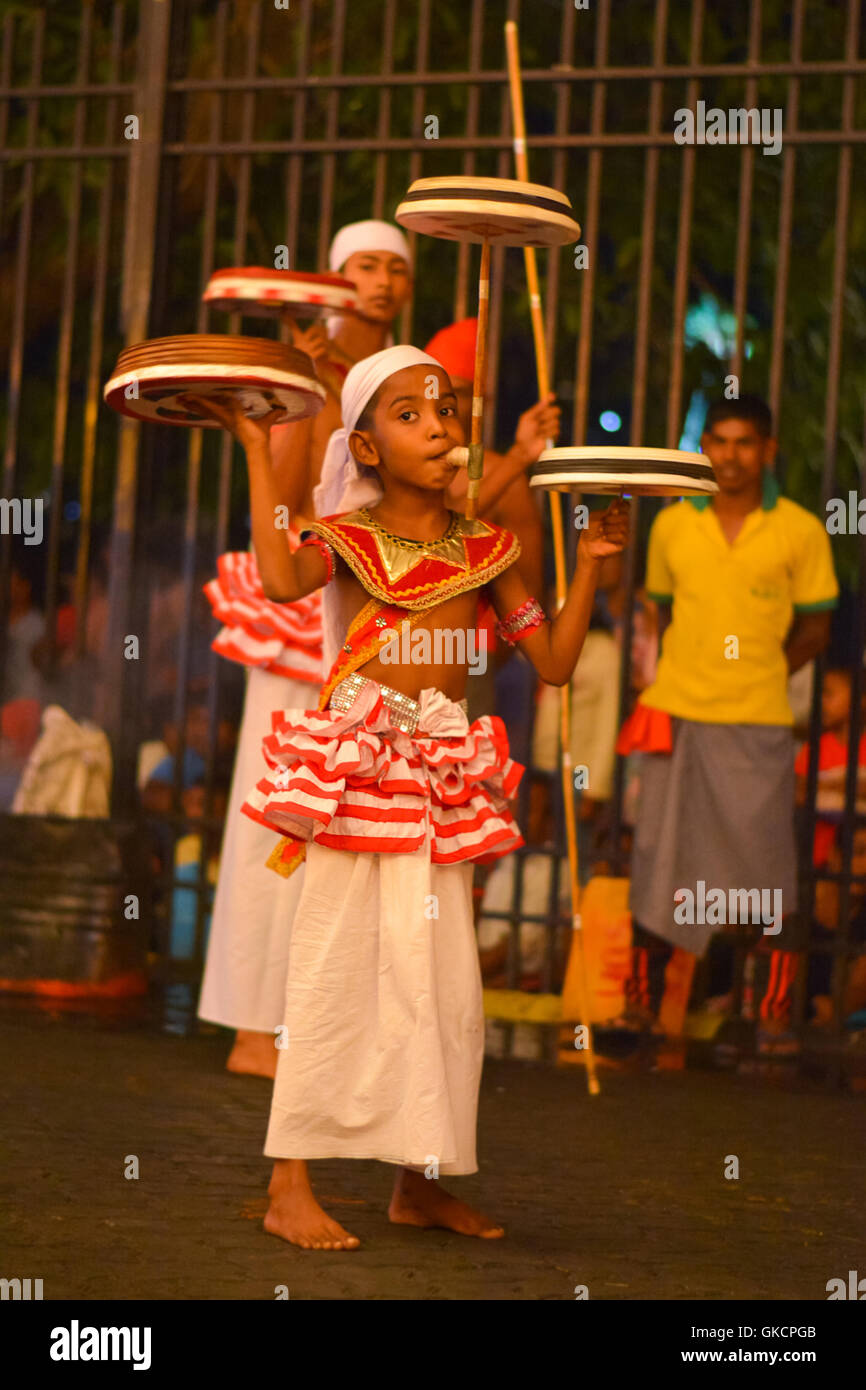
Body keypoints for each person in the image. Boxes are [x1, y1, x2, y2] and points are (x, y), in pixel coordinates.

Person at [188, 345, 628, 1249]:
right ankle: (288, 1184)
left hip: (438, 772)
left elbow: (549, 662)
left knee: (442, 984)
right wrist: (254, 445)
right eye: (412, 414)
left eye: (448, 410)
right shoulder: (345, 538)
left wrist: (589, 565)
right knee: (334, 968)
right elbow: (277, 580)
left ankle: (419, 1180)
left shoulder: (487, 549)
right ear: (369, 446)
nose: (439, 426)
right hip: (357, 768)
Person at [197, 220, 414, 1077]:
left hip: (378, 616)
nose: (384, 281)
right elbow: (286, 502)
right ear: (333, 277)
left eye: (398, 268)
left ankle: (323, 1025)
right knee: (275, 810)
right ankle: (254, 1024)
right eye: (367, 265)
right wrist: (314, 390)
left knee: (356, 823)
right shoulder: (304, 375)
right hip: (304, 608)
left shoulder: (402, 375)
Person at [618, 394, 839, 1050]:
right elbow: (659, 614)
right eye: (718, 440)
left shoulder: (801, 529)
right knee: (658, 859)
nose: (731, 455)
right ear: (703, 447)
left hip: (758, 719)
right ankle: (639, 1010)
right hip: (675, 714)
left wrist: (763, 670)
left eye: (745, 442)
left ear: (768, 450)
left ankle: (773, 1016)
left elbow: (818, 626)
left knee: (766, 871)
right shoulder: (671, 526)